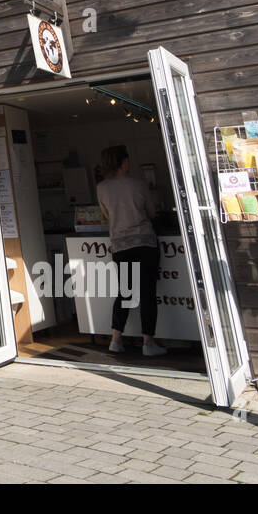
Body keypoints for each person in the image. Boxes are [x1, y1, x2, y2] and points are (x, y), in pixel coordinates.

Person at [95, 145, 166, 357]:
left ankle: (115, 340)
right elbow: (151, 212)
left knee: (125, 292)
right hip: (144, 242)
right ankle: (148, 343)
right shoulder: (138, 184)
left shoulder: (102, 188)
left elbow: (106, 215)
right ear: (123, 162)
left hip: (120, 245)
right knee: (147, 293)